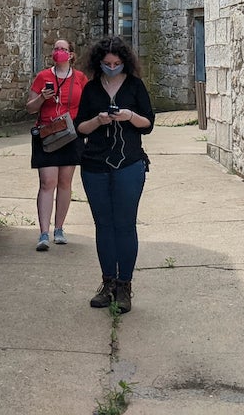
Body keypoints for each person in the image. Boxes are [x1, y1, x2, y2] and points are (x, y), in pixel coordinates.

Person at [73, 35, 155, 313]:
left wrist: (129, 116)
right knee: (103, 225)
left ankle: (124, 285)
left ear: (125, 62)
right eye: (107, 63)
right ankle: (107, 283)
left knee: (125, 224)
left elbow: (148, 124)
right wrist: (98, 120)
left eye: (117, 63)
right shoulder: (92, 89)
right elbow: (80, 127)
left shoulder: (135, 86)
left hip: (129, 164)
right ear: (99, 63)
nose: (112, 67)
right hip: (95, 164)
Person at [27, 38, 87, 251]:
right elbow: (30, 108)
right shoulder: (43, 76)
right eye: (56, 48)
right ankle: (43, 232)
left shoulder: (80, 78)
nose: (59, 51)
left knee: (64, 182)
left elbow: (87, 105)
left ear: (71, 54)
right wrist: (43, 98)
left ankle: (59, 228)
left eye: (63, 49)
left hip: (70, 135)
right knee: (47, 182)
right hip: (47, 133)